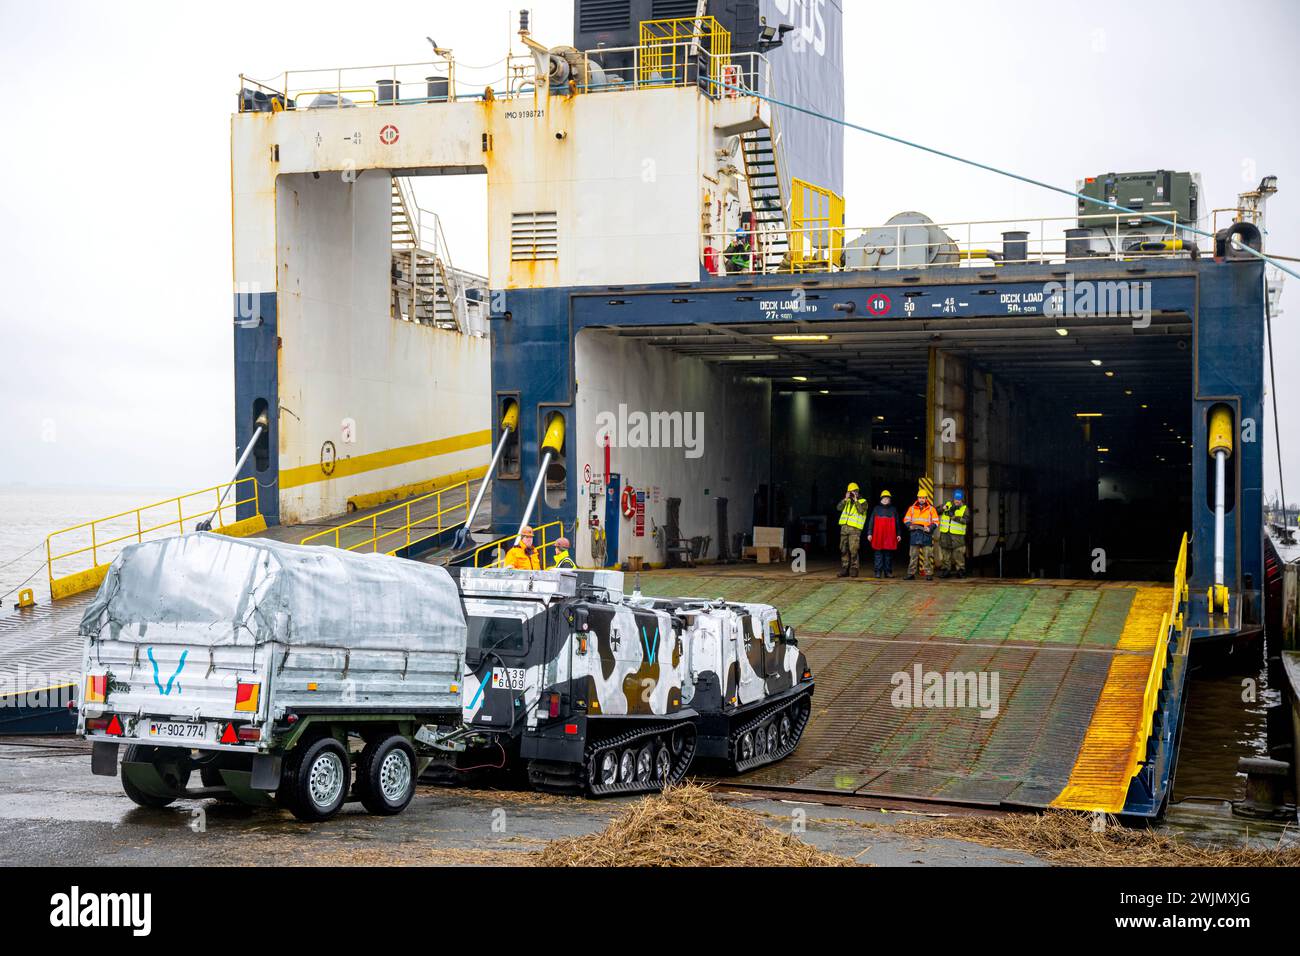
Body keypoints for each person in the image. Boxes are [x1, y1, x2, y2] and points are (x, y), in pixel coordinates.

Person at [903, 486, 939, 581]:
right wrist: (909, 525)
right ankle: (911, 574)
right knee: (913, 556)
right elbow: (906, 519)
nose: (921, 499)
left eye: (923, 498)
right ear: (917, 498)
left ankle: (929, 574)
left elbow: (936, 522)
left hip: (926, 534)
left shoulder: (931, 509)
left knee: (927, 556)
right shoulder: (912, 508)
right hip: (915, 534)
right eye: (920, 498)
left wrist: (930, 528)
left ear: (926, 498)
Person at [866, 490, 901, 578]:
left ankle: (888, 572)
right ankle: (878, 572)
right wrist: (869, 533)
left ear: (890, 500)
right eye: (884, 498)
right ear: (881, 499)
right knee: (878, 554)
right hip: (878, 535)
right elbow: (871, 522)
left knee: (888, 555)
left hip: (889, 535)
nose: (885, 500)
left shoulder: (893, 509)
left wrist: (898, 534)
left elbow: (897, 523)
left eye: (887, 498)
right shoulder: (876, 509)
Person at [836, 482, 869, 578]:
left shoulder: (863, 501)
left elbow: (861, 510)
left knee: (853, 550)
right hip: (844, 529)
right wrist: (845, 499)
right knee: (843, 549)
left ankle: (854, 569)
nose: (852, 493)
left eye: (853, 492)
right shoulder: (847, 501)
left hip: (854, 530)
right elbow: (838, 508)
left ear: (857, 492)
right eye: (850, 492)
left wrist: (856, 500)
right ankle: (844, 568)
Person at [937, 489, 969, 578]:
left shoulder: (965, 509)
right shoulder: (947, 505)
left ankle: (960, 571)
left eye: (959, 499)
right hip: (945, 535)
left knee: (958, 554)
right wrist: (942, 509)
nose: (957, 501)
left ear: (962, 499)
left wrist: (955, 517)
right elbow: (935, 511)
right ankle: (946, 570)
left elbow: (966, 520)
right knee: (945, 554)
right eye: (956, 499)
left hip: (958, 537)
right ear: (953, 498)